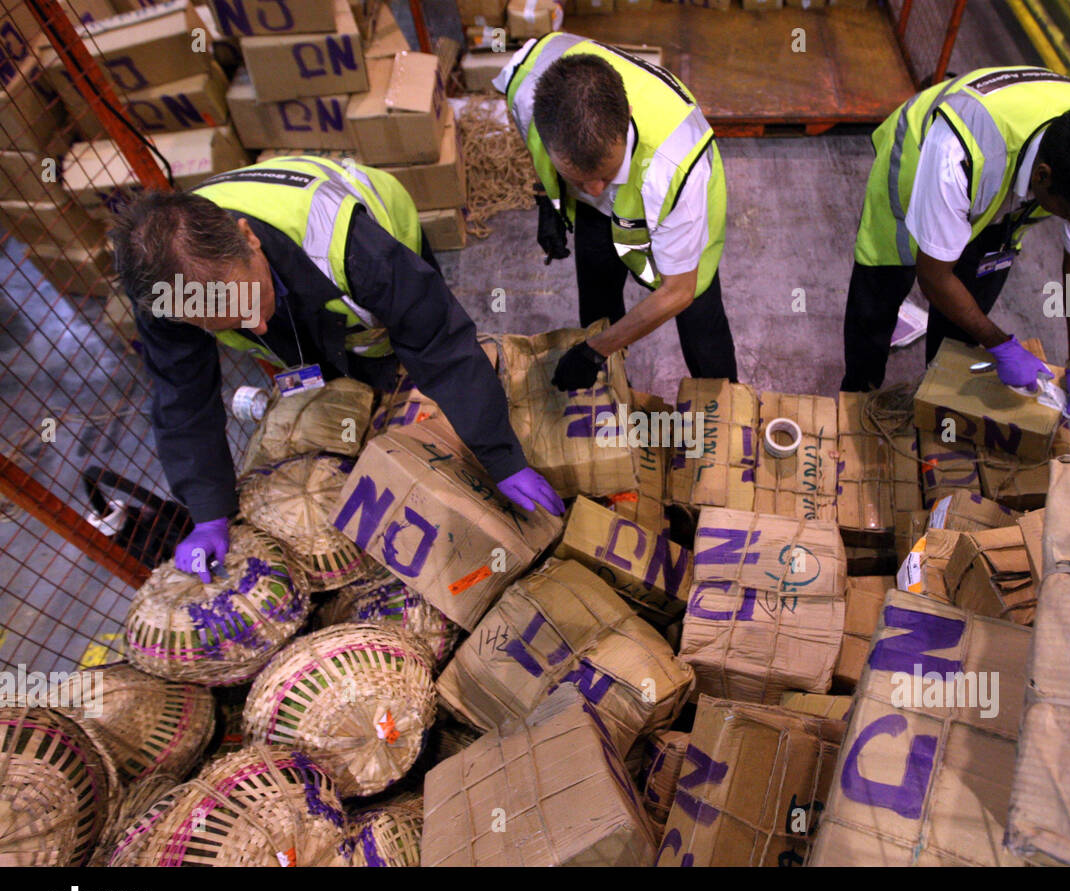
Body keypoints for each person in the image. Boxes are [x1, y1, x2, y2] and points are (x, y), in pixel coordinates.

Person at [110, 155, 564, 583]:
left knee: (399, 339)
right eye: (230, 323)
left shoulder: (353, 248)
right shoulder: (167, 297)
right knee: (328, 360)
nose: (258, 326)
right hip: (295, 277)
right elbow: (183, 398)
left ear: (249, 237)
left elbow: (440, 343)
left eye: (253, 301)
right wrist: (207, 511)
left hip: (380, 230)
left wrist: (502, 457)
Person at [842, 65, 1070, 416]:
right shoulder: (956, 153)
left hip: (996, 184)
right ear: (1042, 176)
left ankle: (935, 396)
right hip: (918, 166)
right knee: (879, 295)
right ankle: (859, 395)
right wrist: (1001, 345)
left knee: (965, 312)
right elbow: (934, 276)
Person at [493, 32, 738, 390]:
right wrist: (546, 196)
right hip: (600, 213)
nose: (594, 190)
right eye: (577, 178)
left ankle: (726, 408)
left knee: (699, 319)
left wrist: (594, 351)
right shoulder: (527, 87)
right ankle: (610, 392)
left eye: (606, 176)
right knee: (597, 299)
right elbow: (534, 140)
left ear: (627, 120)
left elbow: (678, 290)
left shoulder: (677, 165)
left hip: (671, 200)